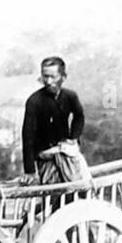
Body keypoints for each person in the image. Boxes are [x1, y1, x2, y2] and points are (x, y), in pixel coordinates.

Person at [19, 56, 90, 186]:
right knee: (52, 195)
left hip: (65, 152)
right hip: (45, 156)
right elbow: (27, 137)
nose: (48, 81)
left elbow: (79, 116)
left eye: (53, 77)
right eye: (45, 76)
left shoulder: (70, 96)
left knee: (82, 186)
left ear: (63, 77)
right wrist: (29, 171)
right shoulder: (34, 101)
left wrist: (74, 137)